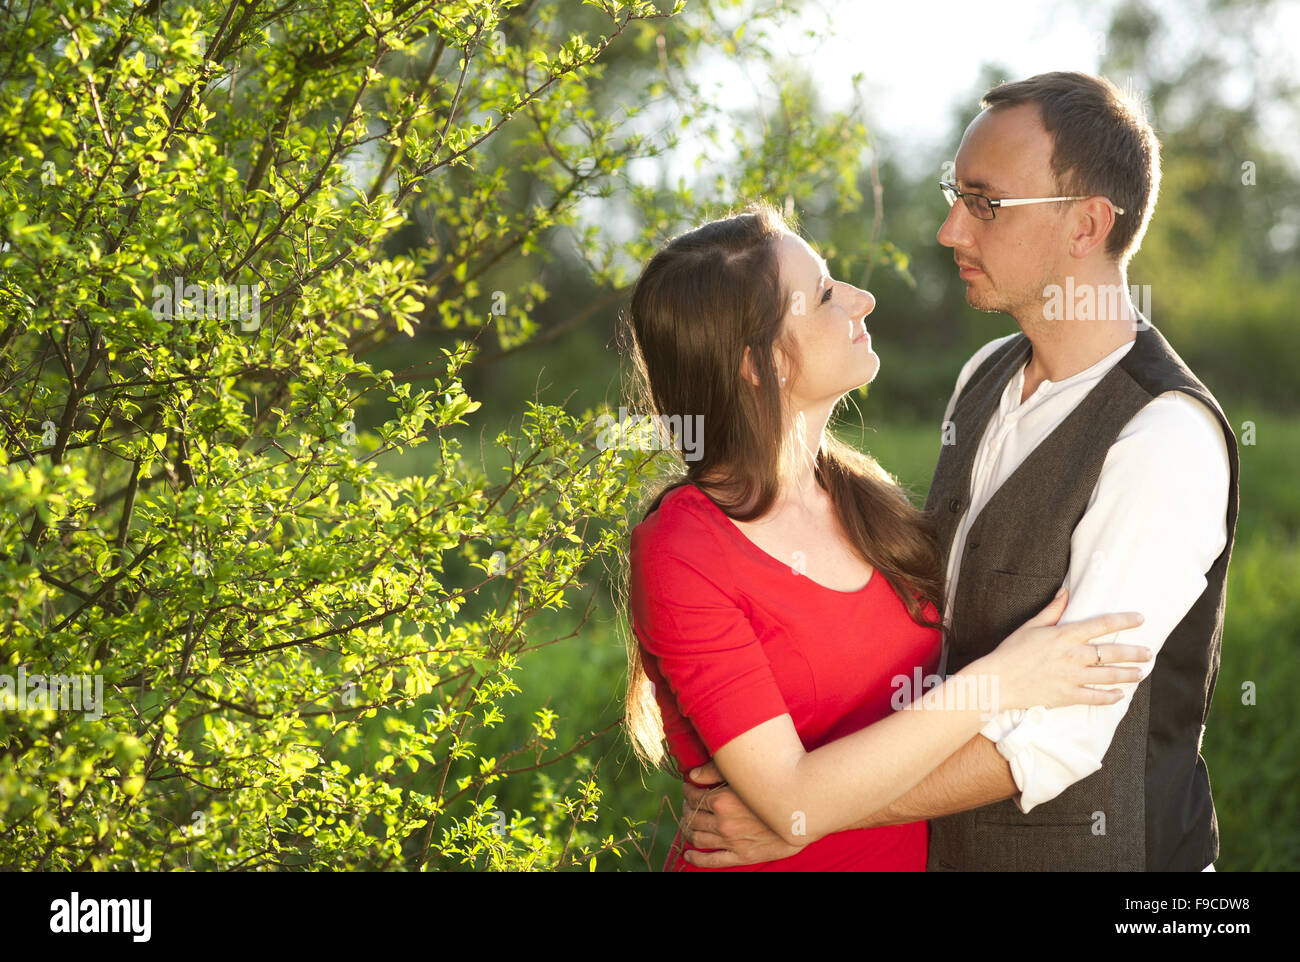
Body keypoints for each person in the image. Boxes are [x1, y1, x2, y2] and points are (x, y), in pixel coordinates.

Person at [676, 73, 1237, 872]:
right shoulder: (984, 375)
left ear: (1086, 224)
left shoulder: (1164, 436)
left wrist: (803, 813)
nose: (948, 231)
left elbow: (1053, 742)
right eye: (955, 194)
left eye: (984, 203)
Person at [624, 200, 1150, 871]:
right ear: (760, 365)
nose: (862, 299)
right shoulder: (685, 548)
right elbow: (792, 801)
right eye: (821, 295)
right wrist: (1004, 678)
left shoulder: (862, 495)